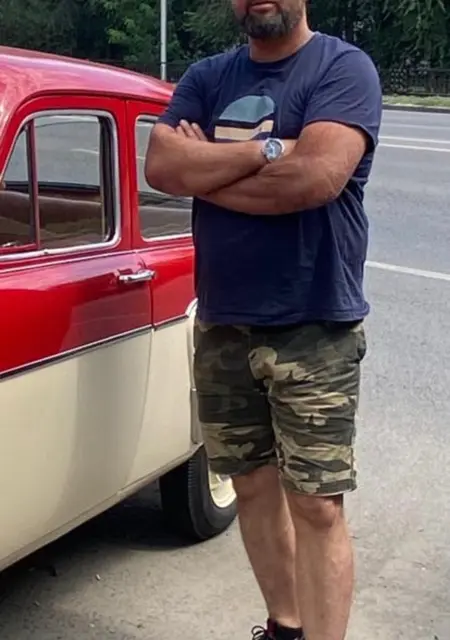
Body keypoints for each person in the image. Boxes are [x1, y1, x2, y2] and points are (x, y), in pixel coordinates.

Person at [145, 1, 382, 639]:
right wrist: (270, 149)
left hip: (315, 323)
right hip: (223, 320)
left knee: (317, 504)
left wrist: (207, 171)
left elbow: (312, 180)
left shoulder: (342, 68)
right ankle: (285, 627)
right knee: (250, 485)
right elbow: (161, 167)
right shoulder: (208, 75)